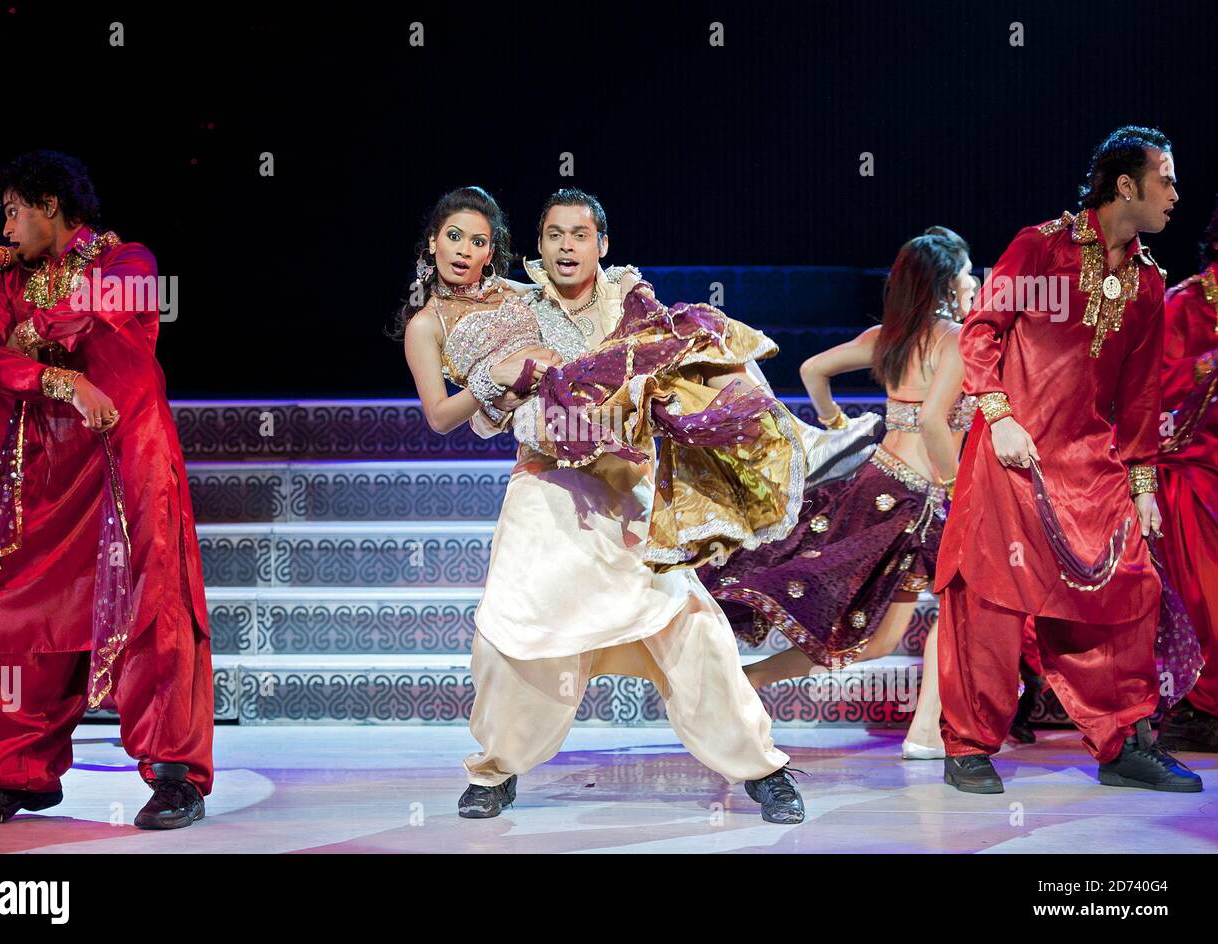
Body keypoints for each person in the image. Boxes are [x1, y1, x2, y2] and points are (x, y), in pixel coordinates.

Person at [436, 188, 813, 823]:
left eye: (578, 235)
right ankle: (495, 770)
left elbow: (680, 367)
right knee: (514, 631)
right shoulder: (515, 312)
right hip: (547, 488)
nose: (565, 247)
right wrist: (534, 402)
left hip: (626, 487)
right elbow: (491, 410)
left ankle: (761, 766)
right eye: (554, 235)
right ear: (540, 245)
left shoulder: (632, 302)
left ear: (601, 245)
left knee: (693, 628)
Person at [0, 150, 215, 827]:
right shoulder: (5, 282)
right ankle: (22, 773)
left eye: (12, 211)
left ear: (51, 206)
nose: (3, 229)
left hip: (128, 455)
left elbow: (86, 312)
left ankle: (173, 774)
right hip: (46, 469)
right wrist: (63, 379)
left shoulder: (131, 263)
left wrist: (32, 325)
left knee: (151, 606)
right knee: (8, 607)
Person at [934, 126, 1201, 794]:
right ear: (1126, 185)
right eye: (1165, 179)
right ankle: (967, 747)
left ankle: (1123, 743)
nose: (1175, 194)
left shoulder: (1147, 285)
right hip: (1014, 456)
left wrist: (1142, 483)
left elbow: (1139, 397)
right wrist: (996, 416)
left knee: (1130, 590)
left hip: (1092, 466)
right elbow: (982, 329)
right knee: (991, 602)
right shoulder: (1042, 248)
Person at [697, 228, 978, 760]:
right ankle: (923, 733)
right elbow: (938, 427)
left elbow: (811, 370)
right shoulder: (954, 339)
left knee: (881, 639)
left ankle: (746, 681)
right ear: (945, 283)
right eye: (966, 271)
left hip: (881, 484)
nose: (973, 280)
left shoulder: (888, 337)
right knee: (956, 607)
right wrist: (955, 491)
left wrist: (833, 420)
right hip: (924, 497)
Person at [1155, 197, 1218, 752]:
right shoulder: (1183, 306)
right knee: (1207, 598)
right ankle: (1201, 708)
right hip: (1190, 475)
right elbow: (1153, 402)